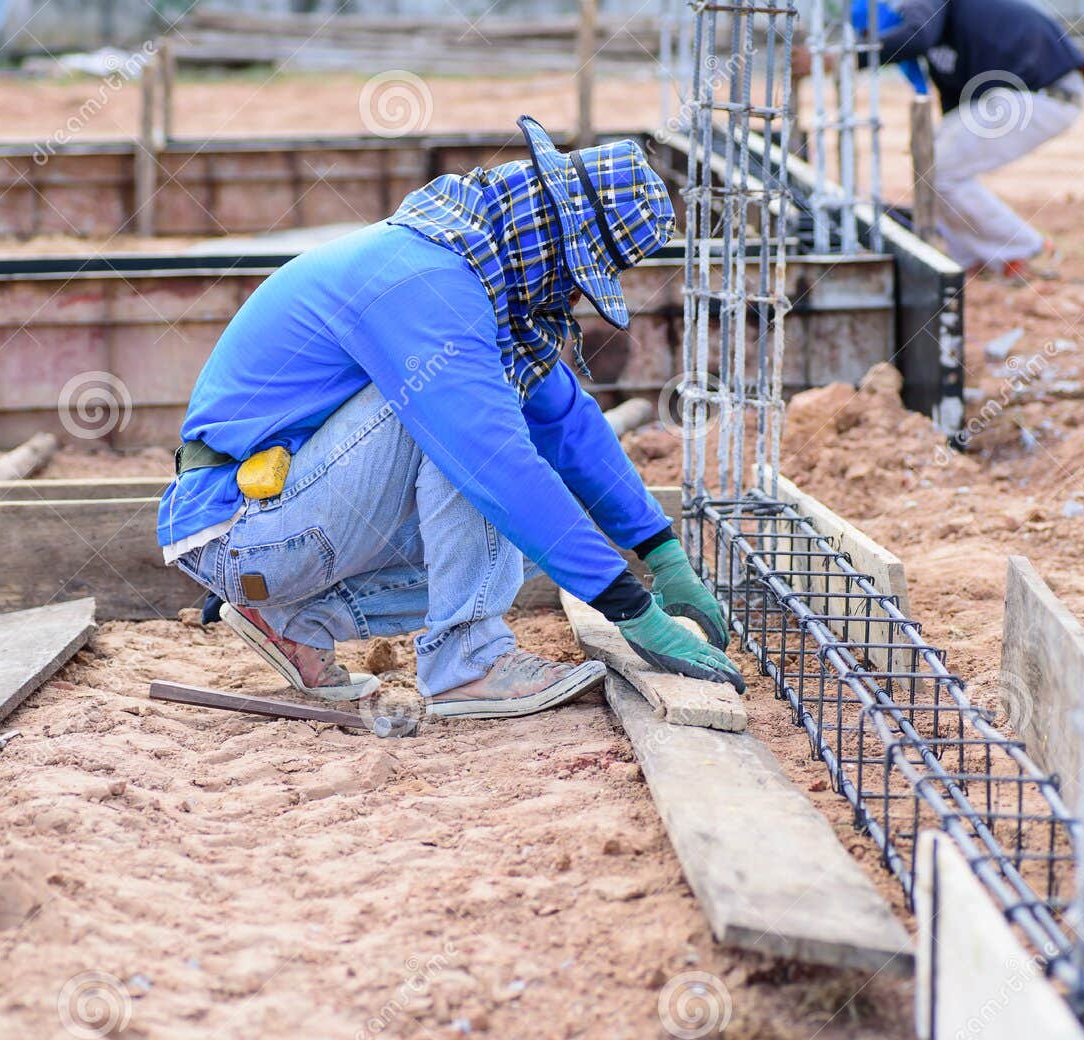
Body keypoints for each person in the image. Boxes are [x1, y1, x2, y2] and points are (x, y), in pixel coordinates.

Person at [157, 116, 743, 721]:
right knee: (475, 443)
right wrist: (631, 609)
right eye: (575, 276)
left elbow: (568, 423)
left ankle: (290, 619)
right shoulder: (426, 281)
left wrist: (662, 553)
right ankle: (469, 663)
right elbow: (492, 456)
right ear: (547, 240)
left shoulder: (471, 273)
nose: (571, 300)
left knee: (507, 540)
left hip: (272, 533)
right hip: (243, 528)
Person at [851, 0, 1084, 275]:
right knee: (931, 156)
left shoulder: (923, 8)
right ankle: (972, 259)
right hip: (1013, 95)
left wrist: (847, 57)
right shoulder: (944, 37)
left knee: (940, 169)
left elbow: (916, 36)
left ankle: (1028, 250)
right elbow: (955, 104)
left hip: (1043, 92)